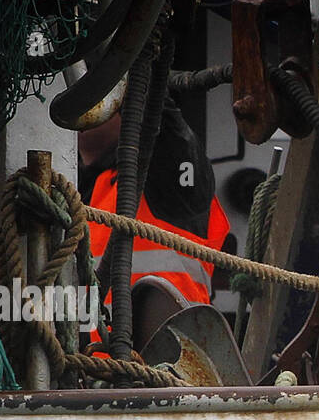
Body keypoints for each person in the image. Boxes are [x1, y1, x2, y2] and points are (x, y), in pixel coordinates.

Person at [79, 100, 231, 310]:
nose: (81, 105)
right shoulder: (74, 193)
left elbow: (171, 134)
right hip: (85, 343)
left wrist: (133, 78)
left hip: (169, 340)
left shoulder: (166, 181)